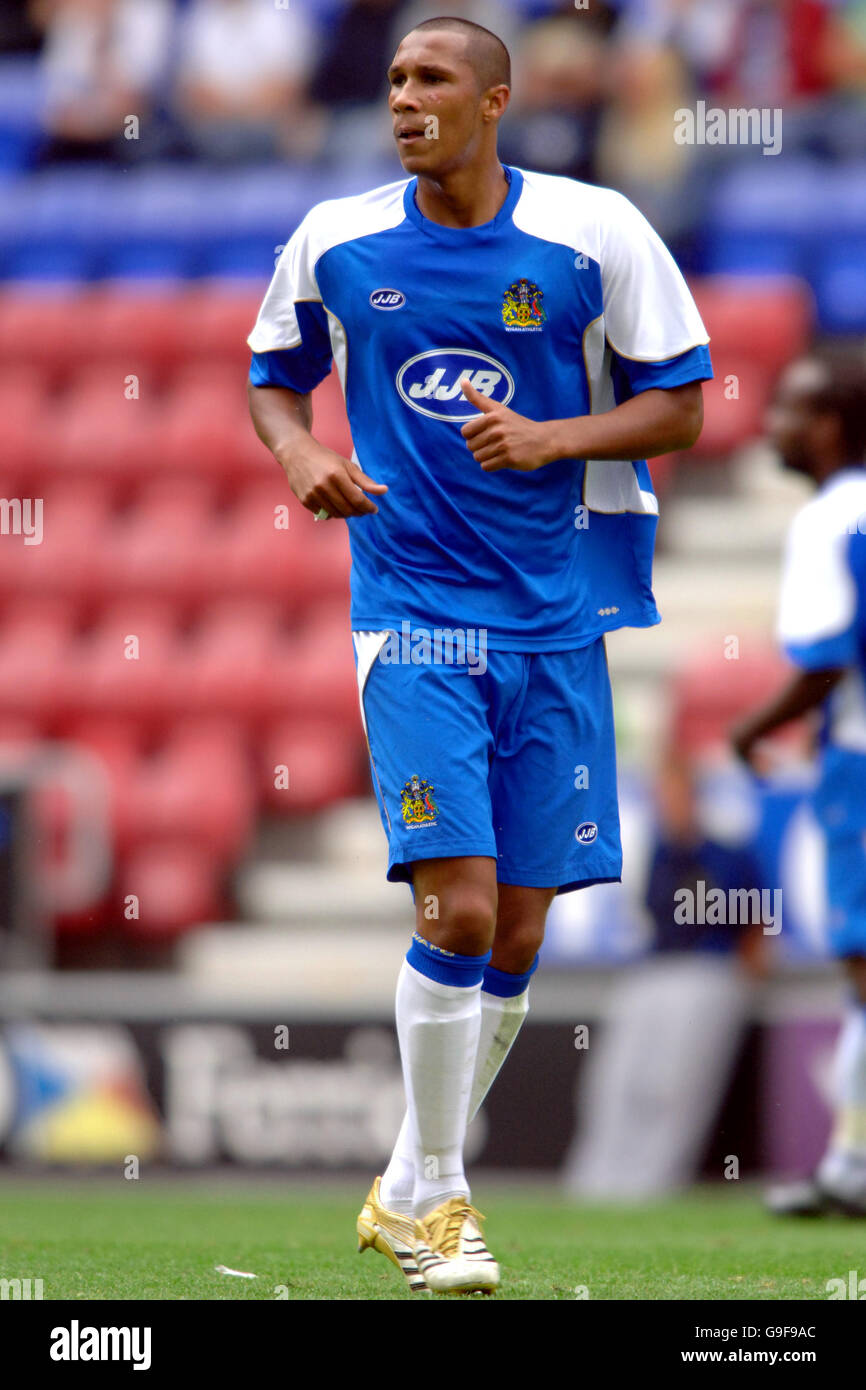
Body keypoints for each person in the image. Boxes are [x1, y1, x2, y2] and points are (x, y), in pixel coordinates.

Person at [247, 15, 711, 1294]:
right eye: (393, 79)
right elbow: (271, 376)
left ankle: (403, 1179)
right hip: (410, 615)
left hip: (556, 615)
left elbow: (680, 399)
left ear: (494, 99)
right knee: (451, 903)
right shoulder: (335, 240)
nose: (403, 98)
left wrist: (556, 439)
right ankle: (444, 1203)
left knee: (515, 927)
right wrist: (299, 455)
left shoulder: (593, 231)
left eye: (431, 79)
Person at [731, 351, 866, 1217]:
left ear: (830, 424)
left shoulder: (831, 516)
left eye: (789, 408)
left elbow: (827, 655)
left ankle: (852, 1164)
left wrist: (749, 728)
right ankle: (850, 1158)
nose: (772, 423)